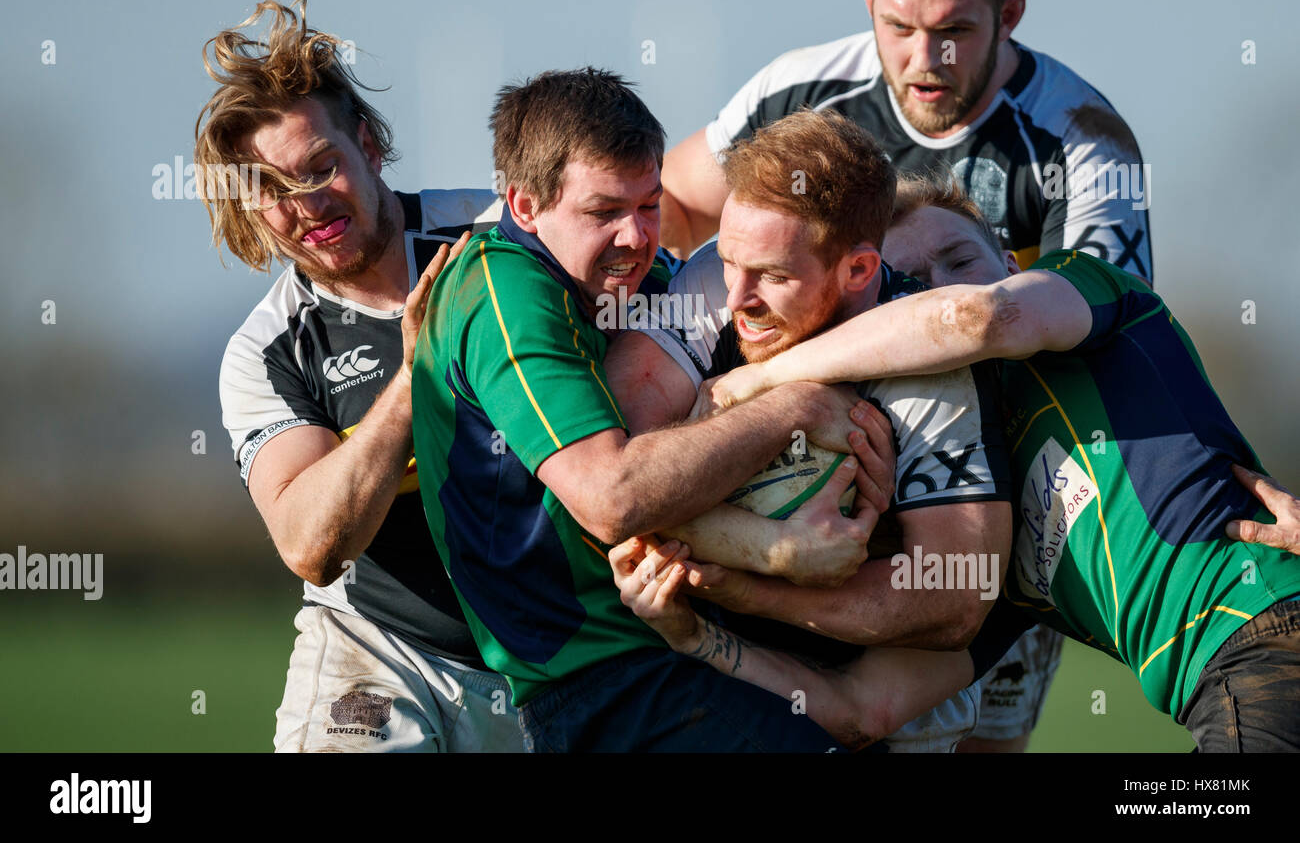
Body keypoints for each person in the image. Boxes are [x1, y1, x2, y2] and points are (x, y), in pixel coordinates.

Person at [698, 177, 1300, 751]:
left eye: (960, 261)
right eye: (905, 279)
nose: (939, 288)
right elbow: (863, 708)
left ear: (1014, 268)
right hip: (1223, 684)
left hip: (1266, 628)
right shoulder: (972, 521)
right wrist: (704, 629)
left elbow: (979, 318)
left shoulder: (1084, 289)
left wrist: (761, 379)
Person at [409, 68, 886, 752]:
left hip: (691, 645)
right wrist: (793, 409)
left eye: (650, 204)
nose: (637, 237)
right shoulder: (502, 290)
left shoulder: (649, 281)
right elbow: (613, 497)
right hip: (608, 680)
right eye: (604, 212)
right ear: (523, 205)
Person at [603, 108, 1013, 752]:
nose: (738, 298)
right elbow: (617, 483)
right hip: (719, 674)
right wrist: (774, 543)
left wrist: (751, 585)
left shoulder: (935, 369)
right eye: (731, 259)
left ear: (858, 271)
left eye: (774, 275)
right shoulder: (721, 273)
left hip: (887, 694)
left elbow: (954, 600)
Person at [196, 0, 521, 752]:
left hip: (546, 659)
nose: (306, 205)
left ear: (368, 145)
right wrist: (415, 377)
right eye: (273, 191)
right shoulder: (266, 351)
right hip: (378, 651)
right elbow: (311, 544)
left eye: (322, 167)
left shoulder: (500, 240)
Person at [657, 0, 1153, 291]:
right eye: (898, 27)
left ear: (1008, 16)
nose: (925, 59)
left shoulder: (1086, 140)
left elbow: (1103, 324)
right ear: (869, 2)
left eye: (953, 30)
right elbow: (674, 200)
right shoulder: (798, 93)